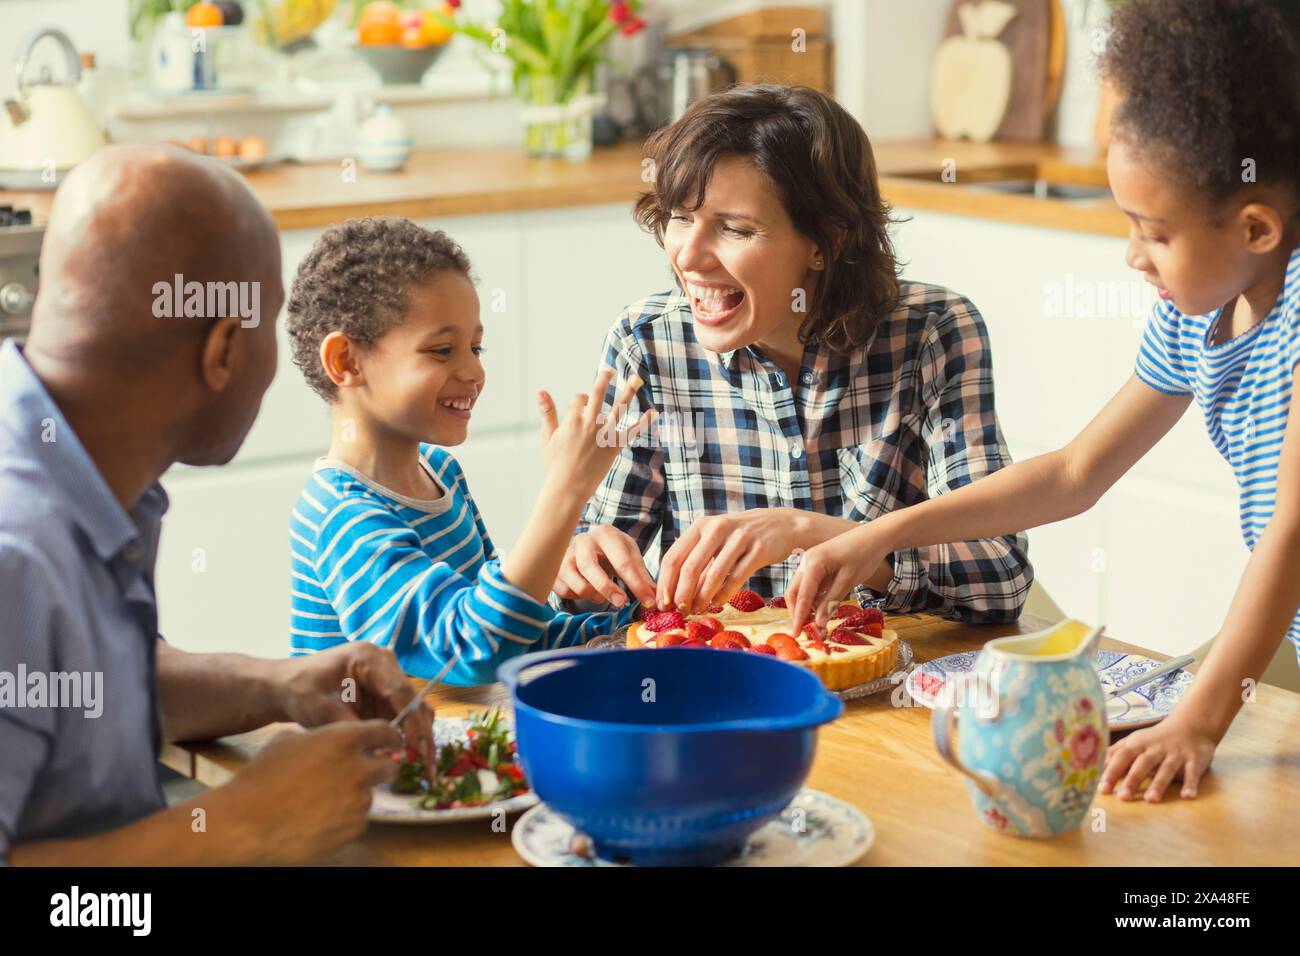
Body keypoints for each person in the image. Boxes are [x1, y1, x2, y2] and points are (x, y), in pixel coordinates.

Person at [787, 0, 1300, 802]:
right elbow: (1073, 472)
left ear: (1257, 229)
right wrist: (879, 533)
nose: (1133, 255)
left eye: (1154, 232)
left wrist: (1197, 722)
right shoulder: (1195, 311)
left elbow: (1291, 533)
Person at [0, 144, 433, 865]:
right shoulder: (18, 555)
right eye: (266, 324)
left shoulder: (72, 472)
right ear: (223, 350)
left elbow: (62, 690)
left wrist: (279, 684)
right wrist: (243, 826)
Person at [554, 84, 1033, 621]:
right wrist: (581, 563)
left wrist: (831, 539)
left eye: (735, 228)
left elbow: (999, 575)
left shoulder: (931, 335)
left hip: (890, 688)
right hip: (719, 684)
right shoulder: (646, 341)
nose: (687, 257)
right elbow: (590, 593)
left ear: (824, 243)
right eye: (680, 218)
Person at [283, 218, 652, 682]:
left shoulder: (441, 473)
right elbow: (472, 650)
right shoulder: (341, 516)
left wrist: (641, 628)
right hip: (364, 753)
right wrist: (565, 490)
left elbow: (520, 637)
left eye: (476, 347)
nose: (473, 371)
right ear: (346, 361)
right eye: (441, 350)